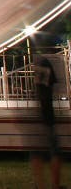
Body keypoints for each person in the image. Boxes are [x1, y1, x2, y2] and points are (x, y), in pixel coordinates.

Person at [31, 55, 62, 189]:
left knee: (38, 153)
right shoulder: (46, 70)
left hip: (40, 118)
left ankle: (40, 185)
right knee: (54, 152)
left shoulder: (38, 81)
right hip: (47, 118)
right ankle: (54, 185)